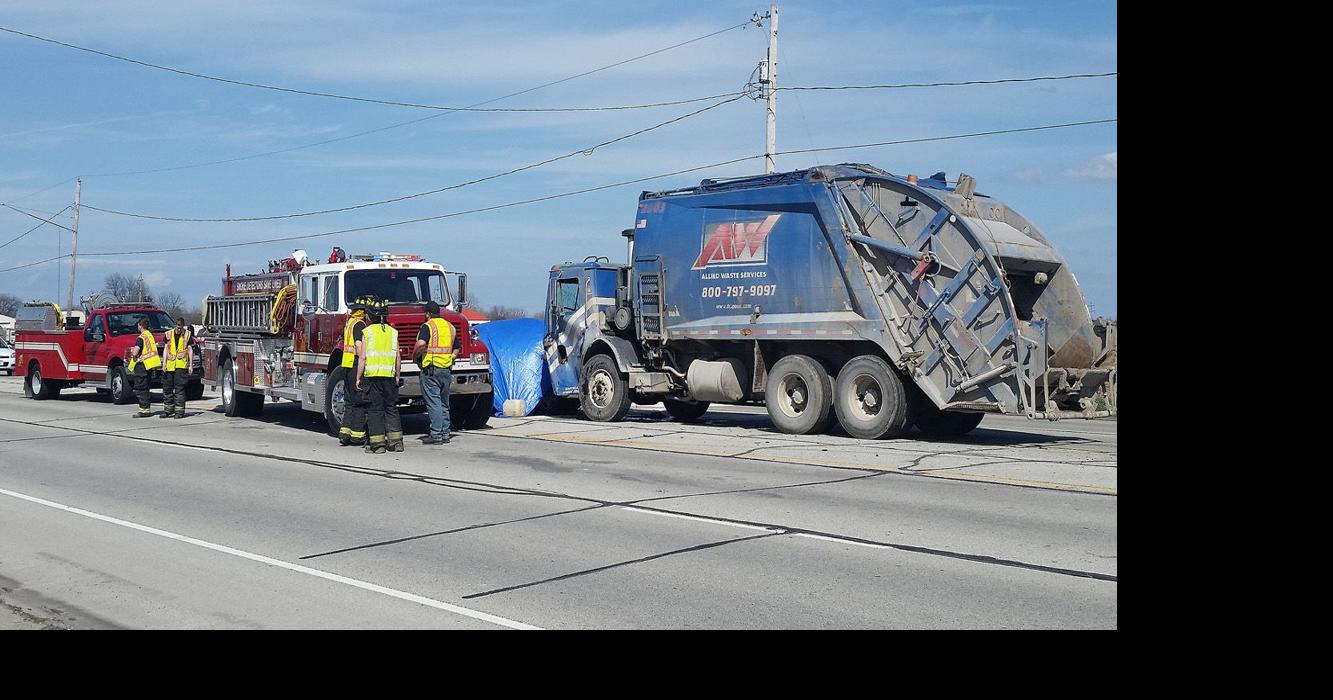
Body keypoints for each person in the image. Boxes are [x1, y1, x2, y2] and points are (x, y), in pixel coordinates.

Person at [357, 299, 404, 454]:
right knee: (391, 408)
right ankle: (396, 442)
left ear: (370, 316)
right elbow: (398, 356)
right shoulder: (393, 332)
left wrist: (358, 377)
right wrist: (397, 375)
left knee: (375, 410)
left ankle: (378, 445)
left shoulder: (367, 332)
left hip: (372, 377)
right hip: (389, 377)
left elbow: (362, 357)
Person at [415, 300, 456, 445]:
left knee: (434, 403)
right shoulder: (450, 327)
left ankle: (436, 434)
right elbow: (457, 347)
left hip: (431, 371)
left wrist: (415, 357)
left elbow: (421, 344)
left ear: (427, 314)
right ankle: (445, 433)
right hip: (446, 370)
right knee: (444, 403)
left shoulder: (428, 326)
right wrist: (451, 358)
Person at [338, 296, 372, 446]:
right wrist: (366, 359)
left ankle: (344, 434)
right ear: (363, 311)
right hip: (355, 364)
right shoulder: (360, 324)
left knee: (349, 401)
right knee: (359, 401)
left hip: (346, 364)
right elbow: (359, 347)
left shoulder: (350, 322)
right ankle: (357, 436)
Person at [127, 317, 161, 418]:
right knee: (146, 387)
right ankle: (146, 409)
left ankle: (144, 410)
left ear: (140, 326)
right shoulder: (149, 335)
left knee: (141, 388)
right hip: (150, 365)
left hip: (142, 365)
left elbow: (136, 352)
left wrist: (133, 354)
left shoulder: (141, 337)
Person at [161, 316, 192, 419]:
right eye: (178, 326)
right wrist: (164, 363)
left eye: (181, 327)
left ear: (183, 326)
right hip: (170, 365)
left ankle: (179, 412)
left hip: (181, 366)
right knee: (167, 388)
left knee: (179, 389)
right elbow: (166, 348)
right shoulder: (168, 334)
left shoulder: (187, 334)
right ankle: (168, 410)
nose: (179, 329)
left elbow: (190, 349)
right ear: (175, 325)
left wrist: (191, 365)